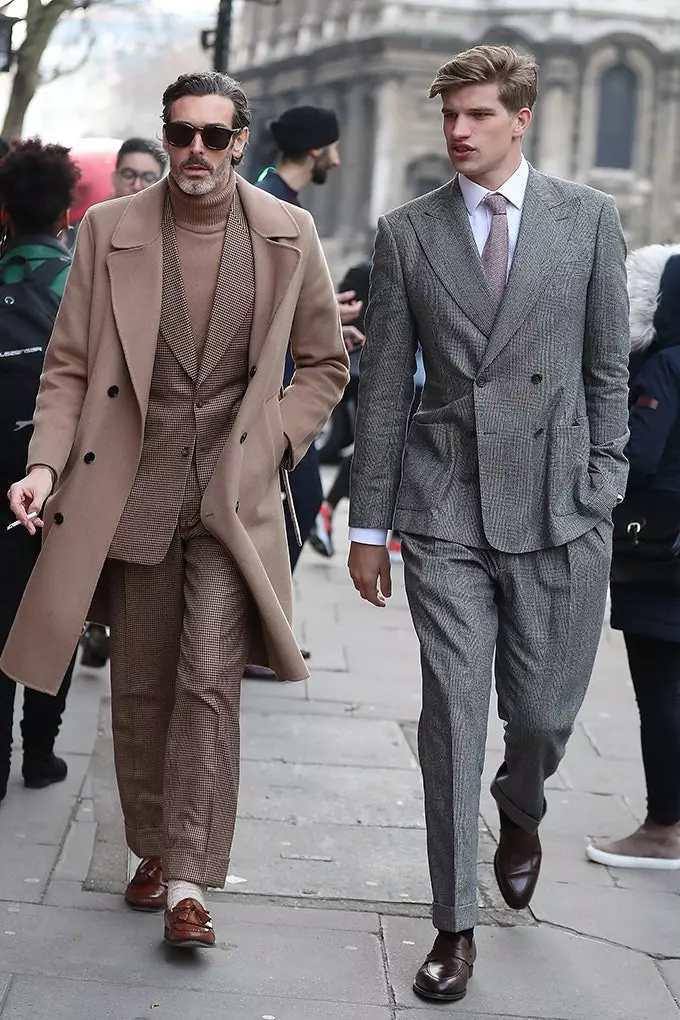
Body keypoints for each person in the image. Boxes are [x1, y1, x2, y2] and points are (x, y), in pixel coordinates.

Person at [2, 71, 348, 948]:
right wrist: (44, 466)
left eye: (214, 135)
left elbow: (325, 365)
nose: (196, 149)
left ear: (242, 142)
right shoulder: (110, 230)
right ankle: (149, 848)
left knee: (208, 685)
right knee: (143, 684)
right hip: (136, 488)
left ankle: (192, 881)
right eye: (181, 133)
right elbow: (70, 367)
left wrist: (273, 444)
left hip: (233, 500)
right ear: (168, 135)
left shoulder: (287, 232)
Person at [347, 44, 629, 1001]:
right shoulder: (406, 232)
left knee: (543, 718)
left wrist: (606, 478)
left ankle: (523, 804)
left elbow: (607, 369)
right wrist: (367, 525)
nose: (458, 132)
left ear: (521, 119)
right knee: (453, 720)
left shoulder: (588, 220)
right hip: (446, 506)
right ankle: (451, 927)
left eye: (476, 114)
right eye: (448, 116)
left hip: (561, 508)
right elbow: (382, 387)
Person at [587, 245, 680, 870]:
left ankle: (663, 827)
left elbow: (637, 456)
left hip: (662, 555)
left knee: (661, 687)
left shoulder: (666, 364)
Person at [0, 139, 80, 802]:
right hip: (59, 479)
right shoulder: (79, 287)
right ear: (67, 214)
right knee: (55, 613)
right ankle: (41, 751)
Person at [79, 139, 167, 670]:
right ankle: (94, 620)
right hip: (96, 422)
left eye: (144, 175)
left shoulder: (160, 243)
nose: (135, 184)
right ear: (115, 177)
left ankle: (112, 623)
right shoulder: (90, 234)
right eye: (127, 174)